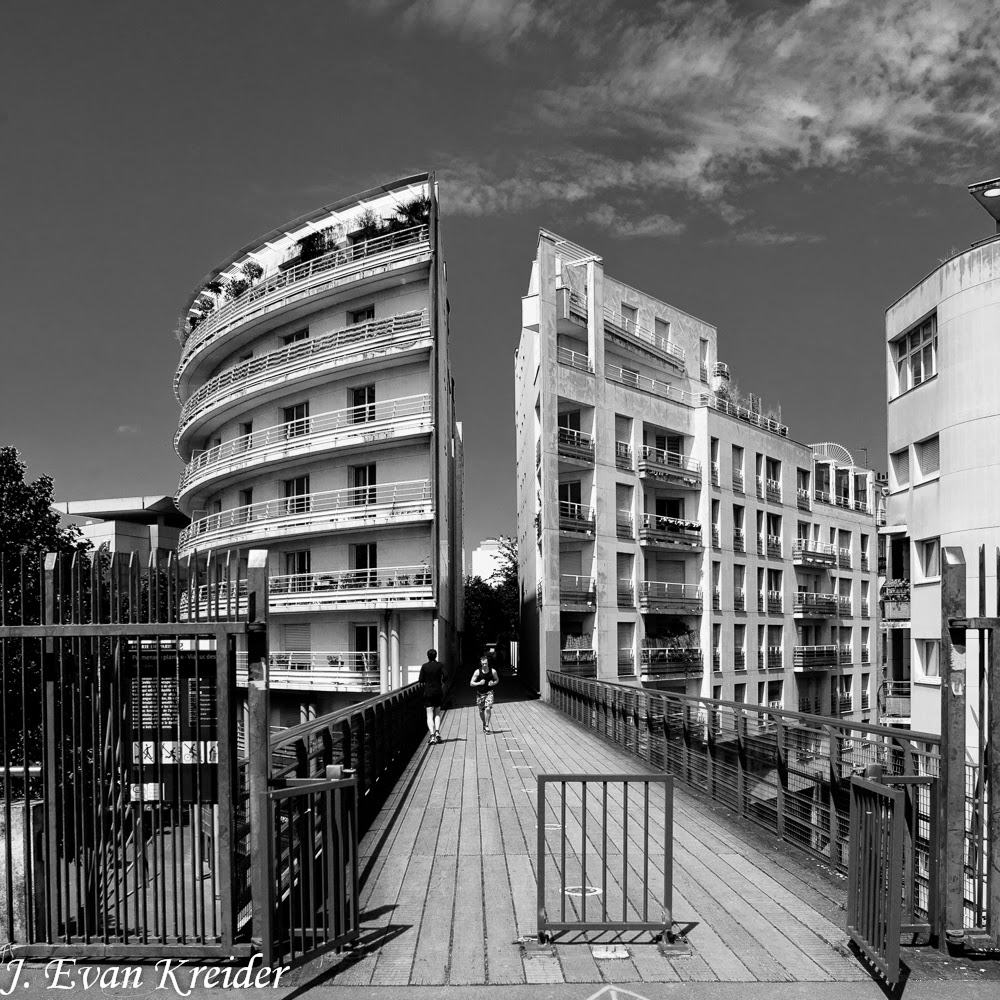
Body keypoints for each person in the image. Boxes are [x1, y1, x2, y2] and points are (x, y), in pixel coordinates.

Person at [419, 648, 447, 745]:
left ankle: (432, 736)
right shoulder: (440, 665)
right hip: (438, 691)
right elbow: (446, 675)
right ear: (436, 655)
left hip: (428, 692)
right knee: (437, 713)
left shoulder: (424, 666)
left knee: (429, 715)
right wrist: (442, 682)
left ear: (428, 656)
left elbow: (421, 679)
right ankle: (437, 732)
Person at [470, 654, 499, 734]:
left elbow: (497, 680)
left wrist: (493, 683)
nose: (485, 665)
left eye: (486, 663)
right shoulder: (477, 672)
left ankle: (487, 725)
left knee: (488, 708)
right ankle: (484, 722)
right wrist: (479, 683)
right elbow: (471, 683)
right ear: (481, 663)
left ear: (488, 663)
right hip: (480, 694)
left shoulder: (493, 671)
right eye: (483, 664)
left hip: (489, 692)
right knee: (481, 710)